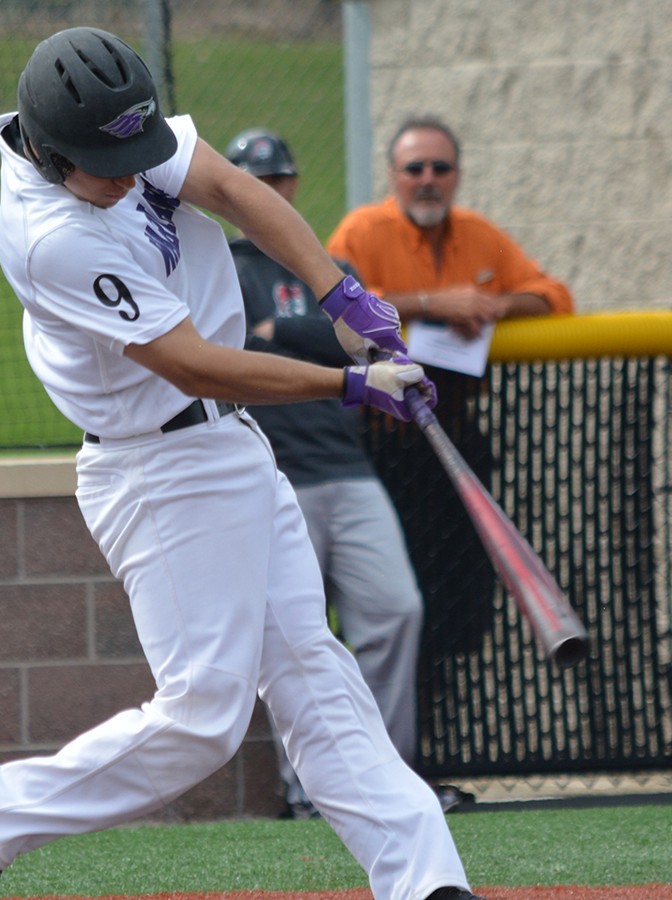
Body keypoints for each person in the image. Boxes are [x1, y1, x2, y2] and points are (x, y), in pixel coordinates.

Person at [0, 28, 484, 900]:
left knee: (316, 678)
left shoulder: (106, 127)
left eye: (138, 151)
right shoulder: (47, 235)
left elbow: (230, 187)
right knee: (205, 719)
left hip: (229, 446)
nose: (134, 175)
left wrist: (340, 293)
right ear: (53, 154)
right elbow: (190, 361)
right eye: (112, 165)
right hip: (158, 472)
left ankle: (427, 882)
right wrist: (351, 383)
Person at [223, 128, 437, 820]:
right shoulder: (220, 264)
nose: (271, 190)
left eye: (279, 179)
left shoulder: (326, 265)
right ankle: (311, 791)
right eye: (256, 180)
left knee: (396, 609)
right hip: (276, 475)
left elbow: (362, 337)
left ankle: (386, 777)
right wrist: (324, 345)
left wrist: (284, 333)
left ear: (292, 187)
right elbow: (241, 345)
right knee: (298, 637)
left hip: (348, 465)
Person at [325, 117, 573, 663]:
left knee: (464, 609)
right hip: (382, 441)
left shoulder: (478, 233)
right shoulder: (363, 231)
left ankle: (431, 731)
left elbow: (553, 294)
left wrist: (493, 306)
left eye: (441, 167)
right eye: (415, 168)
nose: (428, 178)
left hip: (456, 438)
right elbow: (339, 303)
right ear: (394, 175)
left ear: (457, 176)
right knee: (395, 604)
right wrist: (436, 304)